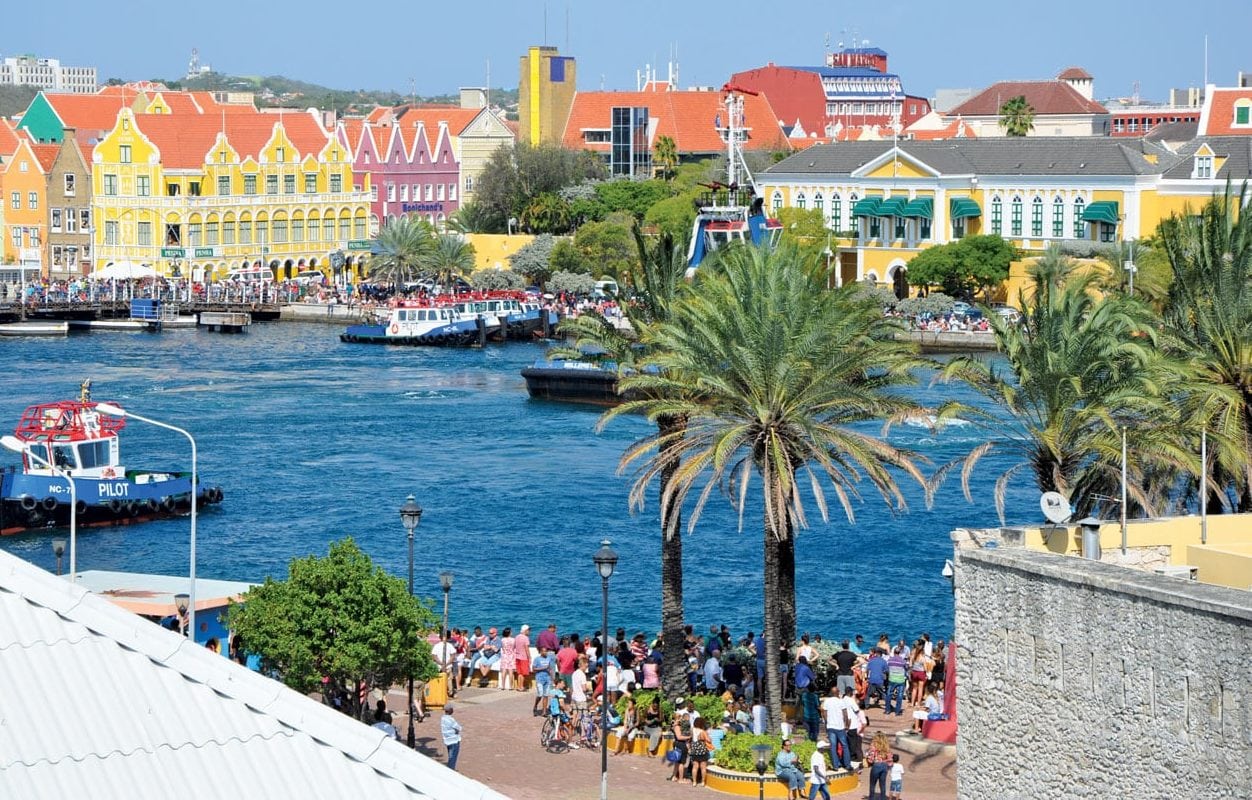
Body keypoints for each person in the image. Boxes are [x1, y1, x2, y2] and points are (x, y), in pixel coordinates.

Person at [821, 685, 850, 771]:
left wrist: (827, 723)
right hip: (840, 727)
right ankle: (847, 764)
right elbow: (845, 714)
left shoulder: (827, 701)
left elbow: (824, 714)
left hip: (831, 727)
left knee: (833, 747)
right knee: (844, 745)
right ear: (837, 693)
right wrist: (847, 725)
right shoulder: (841, 701)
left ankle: (836, 765)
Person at [865, 732, 892, 800]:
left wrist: (868, 755)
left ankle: (871, 798)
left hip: (876, 766)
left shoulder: (874, 749)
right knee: (882, 785)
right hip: (884, 766)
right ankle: (883, 798)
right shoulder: (887, 749)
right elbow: (890, 760)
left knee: (872, 785)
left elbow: (870, 760)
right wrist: (888, 766)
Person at [667, 707, 691, 782]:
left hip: (679, 744)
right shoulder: (678, 726)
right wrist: (689, 737)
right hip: (680, 744)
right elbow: (679, 737)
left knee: (677, 762)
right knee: (681, 763)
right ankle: (680, 779)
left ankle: (674, 776)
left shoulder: (681, 726)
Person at [689, 716, 712, 786]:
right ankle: (702, 782)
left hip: (694, 749)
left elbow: (691, 738)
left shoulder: (692, 729)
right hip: (702, 749)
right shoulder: (703, 731)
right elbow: (709, 740)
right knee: (703, 767)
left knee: (695, 767)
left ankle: (694, 782)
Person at [532, 645, 555, 716]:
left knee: (546, 695)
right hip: (539, 679)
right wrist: (543, 668)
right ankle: (535, 705)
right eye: (544, 651)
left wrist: (552, 679)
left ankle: (544, 711)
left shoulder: (549, 659)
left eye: (546, 651)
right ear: (541, 652)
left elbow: (550, 669)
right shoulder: (537, 659)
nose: (545, 653)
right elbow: (533, 669)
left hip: (547, 679)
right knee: (540, 694)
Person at [885, 646, 908, 716]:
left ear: (894, 652)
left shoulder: (890, 660)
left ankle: (887, 710)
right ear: (899, 653)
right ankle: (897, 711)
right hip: (900, 680)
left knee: (889, 694)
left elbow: (887, 669)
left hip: (892, 679)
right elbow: (906, 668)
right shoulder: (903, 661)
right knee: (900, 695)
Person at [440, 704, 462, 771]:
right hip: (454, 741)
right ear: (450, 710)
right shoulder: (451, 720)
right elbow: (459, 728)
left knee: (450, 755)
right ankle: (451, 770)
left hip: (447, 740)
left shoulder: (443, 718)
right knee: (453, 757)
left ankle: (450, 769)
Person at [514, 624, 532, 692]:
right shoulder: (525, 638)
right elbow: (526, 648)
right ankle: (521, 686)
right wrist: (529, 657)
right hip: (523, 657)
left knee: (519, 673)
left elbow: (515, 646)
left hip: (517, 657)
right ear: (525, 630)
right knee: (523, 673)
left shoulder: (517, 636)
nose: (529, 632)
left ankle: (519, 686)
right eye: (528, 630)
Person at [499, 627, 516, 691]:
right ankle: (510, 686)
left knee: (504, 671)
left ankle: (503, 686)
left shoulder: (502, 639)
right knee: (510, 671)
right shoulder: (513, 640)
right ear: (509, 633)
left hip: (504, 656)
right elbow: (514, 647)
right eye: (511, 632)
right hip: (511, 656)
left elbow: (503, 648)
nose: (512, 632)